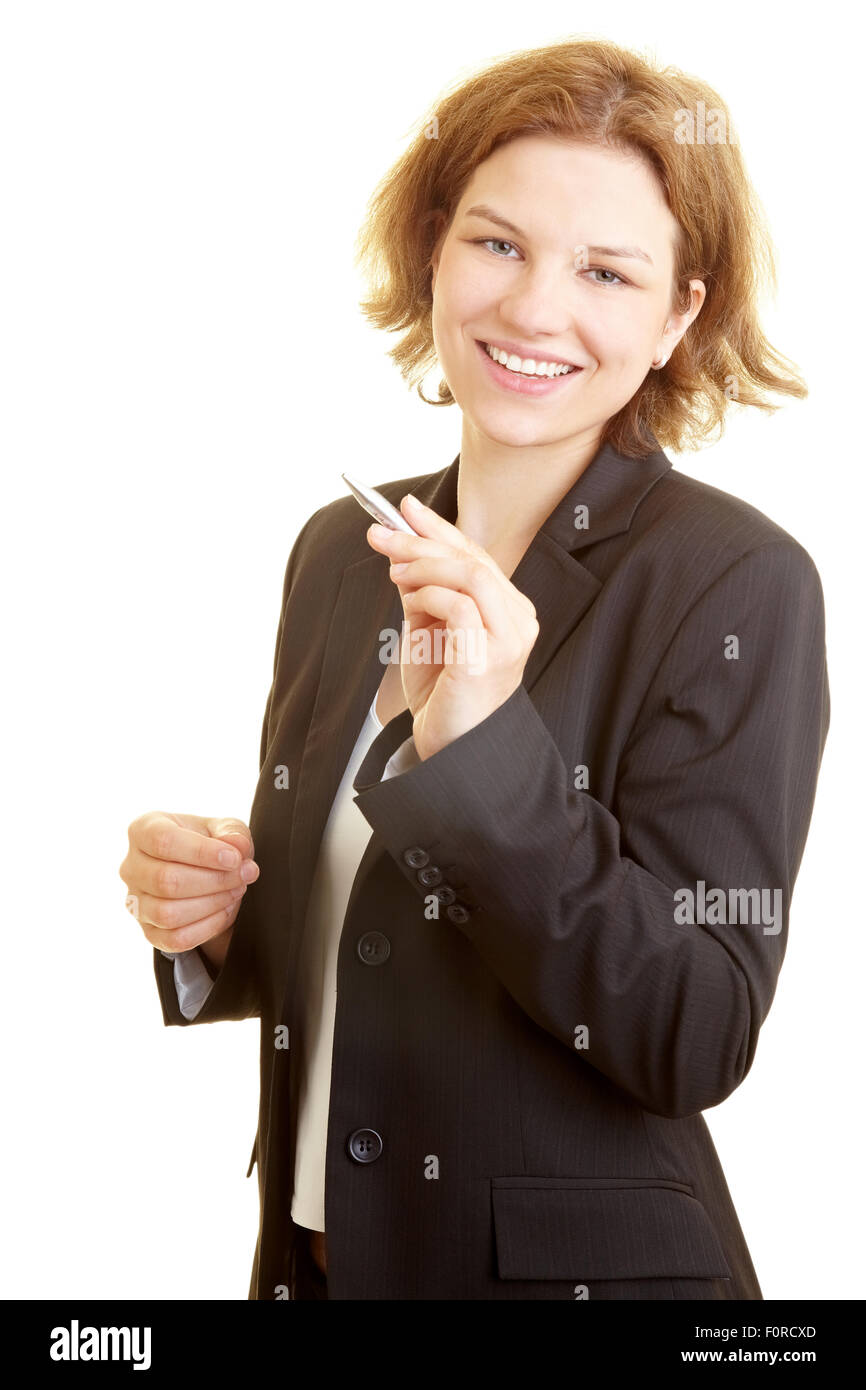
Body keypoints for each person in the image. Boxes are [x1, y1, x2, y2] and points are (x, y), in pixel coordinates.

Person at [119, 37, 829, 1300]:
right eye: (497, 244)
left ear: (676, 317)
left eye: (606, 271)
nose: (534, 308)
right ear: (434, 247)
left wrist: (491, 743)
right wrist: (218, 924)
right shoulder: (347, 548)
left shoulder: (733, 580)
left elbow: (694, 1027)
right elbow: (387, 943)